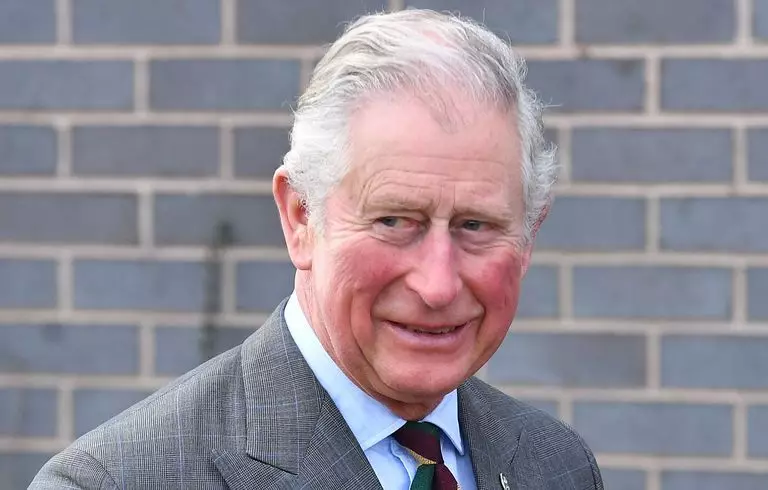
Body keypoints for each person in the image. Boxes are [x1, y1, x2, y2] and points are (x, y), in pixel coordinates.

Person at [30, 8, 603, 490]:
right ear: (300, 217)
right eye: (394, 220)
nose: (438, 284)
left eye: (476, 225)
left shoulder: (556, 464)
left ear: (528, 237)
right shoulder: (117, 480)